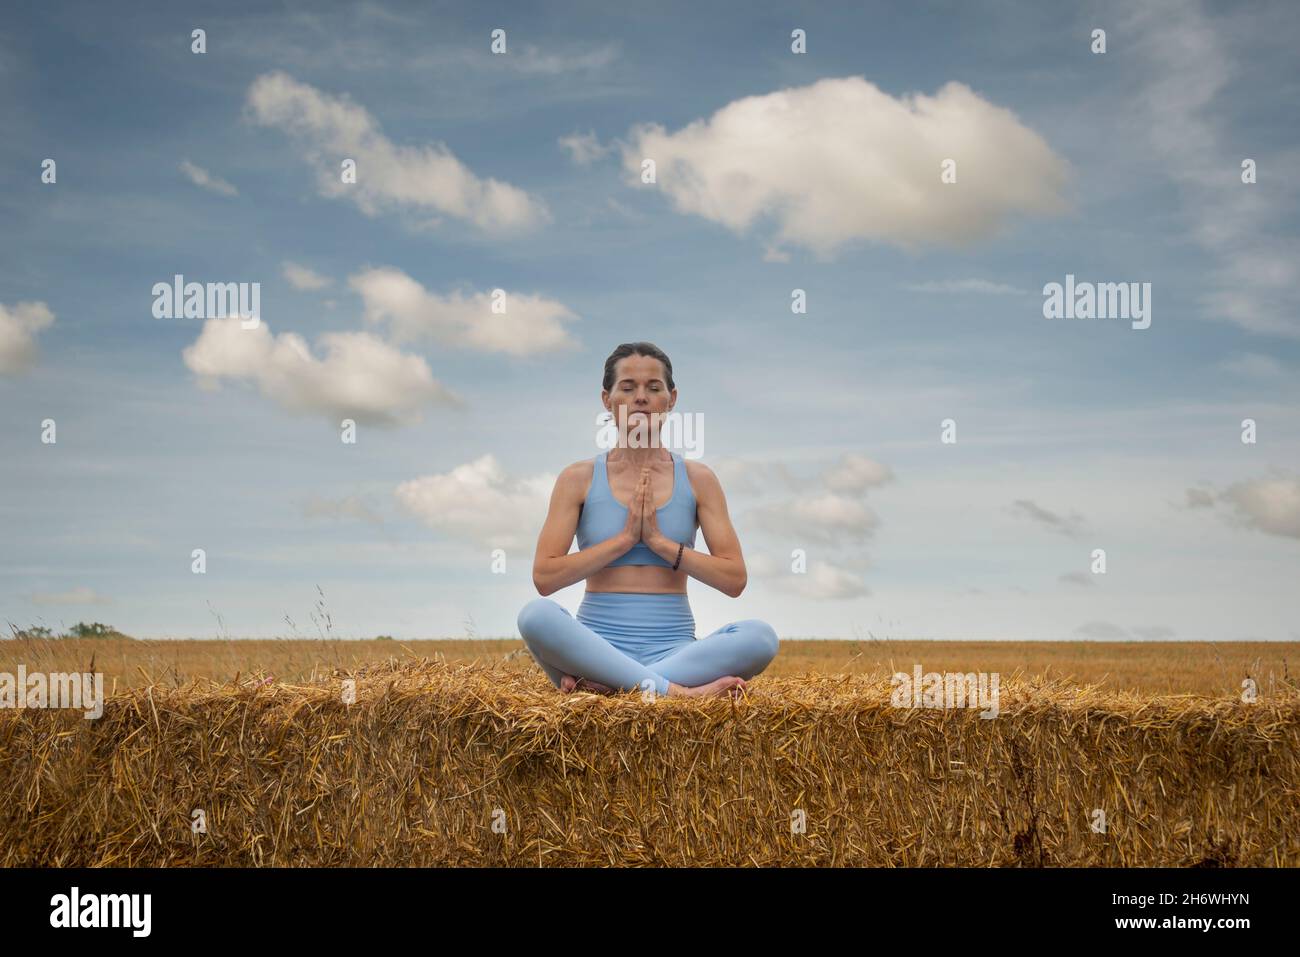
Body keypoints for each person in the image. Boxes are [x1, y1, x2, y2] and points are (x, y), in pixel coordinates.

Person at [517, 341, 779, 699]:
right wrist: (623, 541)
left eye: (653, 388)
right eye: (627, 387)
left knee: (760, 638)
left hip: (675, 650)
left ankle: (615, 686)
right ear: (606, 400)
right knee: (535, 616)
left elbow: (734, 579)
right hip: (595, 645)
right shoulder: (576, 479)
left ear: (671, 399)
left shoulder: (699, 479)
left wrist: (660, 543)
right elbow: (544, 578)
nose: (641, 397)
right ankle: (676, 694)